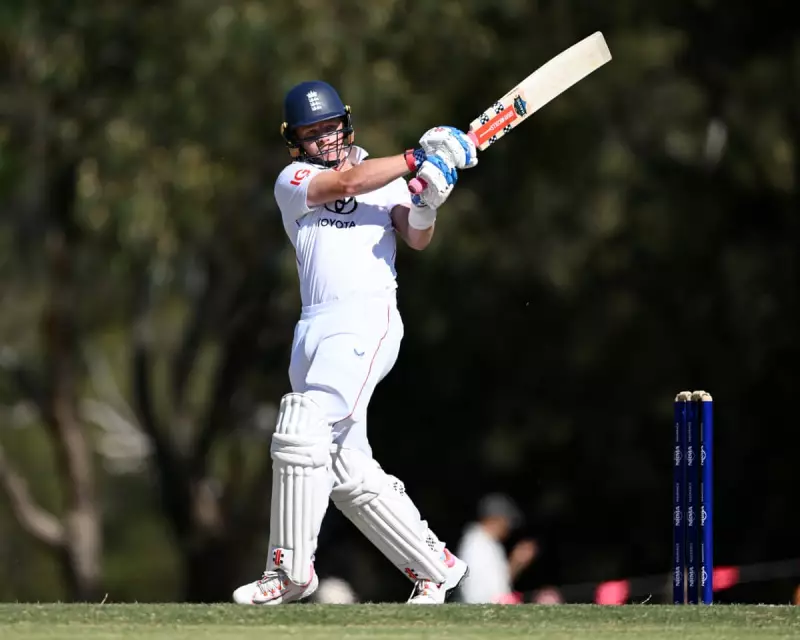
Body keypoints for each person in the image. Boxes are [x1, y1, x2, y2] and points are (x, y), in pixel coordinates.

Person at [232, 80, 478, 606]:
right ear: (295, 141)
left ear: (346, 124)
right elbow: (345, 183)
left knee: (302, 428)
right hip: (313, 328)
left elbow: (415, 235)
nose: (325, 139)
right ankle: (435, 568)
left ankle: (290, 571)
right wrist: (415, 159)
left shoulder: (384, 176)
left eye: (330, 128)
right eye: (312, 133)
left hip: (366, 317)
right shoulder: (294, 180)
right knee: (344, 466)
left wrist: (427, 202)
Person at [456, 493, 539, 604]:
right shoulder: (476, 544)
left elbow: (499, 584)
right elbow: (479, 594)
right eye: (507, 521)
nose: (509, 528)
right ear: (496, 519)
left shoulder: (488, 542)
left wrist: (517, 562)